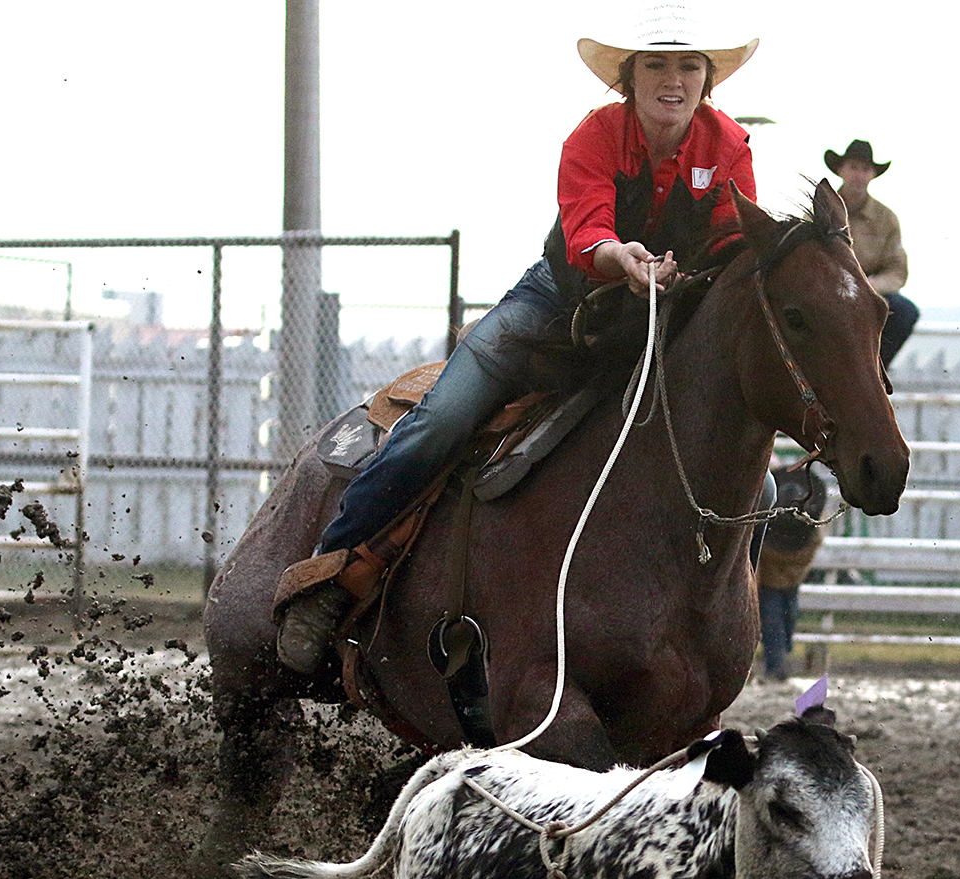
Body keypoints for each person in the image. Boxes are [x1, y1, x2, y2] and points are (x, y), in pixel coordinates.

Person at [275, 7, 762, 674]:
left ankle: (714, 627)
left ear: (707, 80)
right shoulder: (592, 138)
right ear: (630, 77)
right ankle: (328, 579)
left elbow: (737, 241)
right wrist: (622, 259)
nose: (671, 79)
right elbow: (587, 230)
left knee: (751, 487)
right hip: (556, 304)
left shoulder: (729, 145)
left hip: (653, 324)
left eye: (687, 66)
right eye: (656, 64)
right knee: (439, 421)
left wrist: (697, 277)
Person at [825, 139, 917, 368]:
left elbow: (897, 271)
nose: (858, 174)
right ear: (841, 170)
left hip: (869, 290)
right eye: (853, 167)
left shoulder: (886, 218)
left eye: (865, 169)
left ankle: (873, 369)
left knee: (905, 312)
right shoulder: (821, 210)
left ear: (873, 174)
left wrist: (870, 285)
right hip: (826, 287)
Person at [756, 465, 828, 681]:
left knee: (784, 621)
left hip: (784, 580)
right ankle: (775, 665)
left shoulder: (805, 535)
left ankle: (778, 663)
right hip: (772, 582)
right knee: (774, 622)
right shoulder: (806, 535)